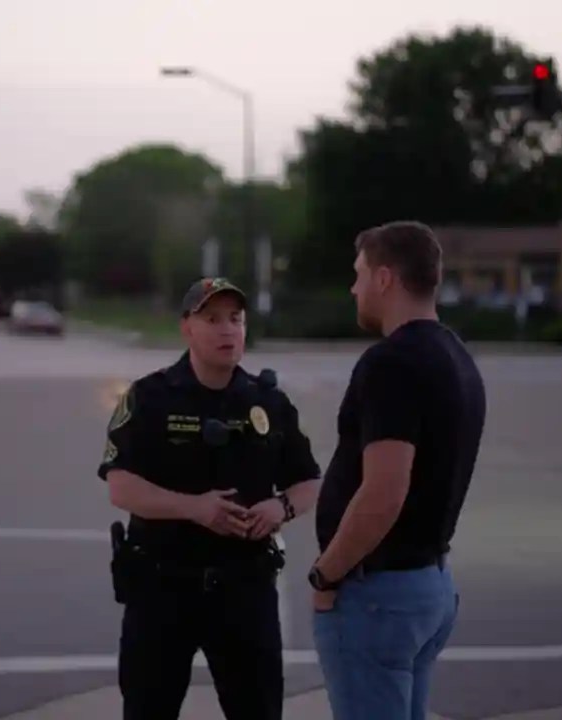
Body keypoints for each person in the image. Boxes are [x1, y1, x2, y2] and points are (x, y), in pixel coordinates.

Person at [99, 277, 322, 720]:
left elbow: (310, 481)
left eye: (236, 319)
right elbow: (120, 487)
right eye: (213, 319)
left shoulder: (269, 402)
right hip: (162, 590)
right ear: (186, 328)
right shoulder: (150, 397)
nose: (227, 330)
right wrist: (195, 508)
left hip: (245, 590)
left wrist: (281, 508)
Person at [307, 221, 487, 720]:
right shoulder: (457, 357)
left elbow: (385, 491)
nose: (353, 287)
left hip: (378, 596)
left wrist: (325, 576)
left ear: (385, 279)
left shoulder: (392, 363)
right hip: (429, 583)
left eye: (359, 274)